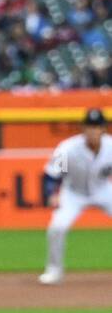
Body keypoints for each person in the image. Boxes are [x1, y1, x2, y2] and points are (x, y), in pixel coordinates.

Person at [39, 109, 112, 285]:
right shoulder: (68, 149)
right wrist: (51, 193)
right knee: (57, 227)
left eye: (97, 127)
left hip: (103, 190)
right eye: (89, 126)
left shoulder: (110, 147)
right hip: (73, 192)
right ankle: (54, 271)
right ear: (83, 128)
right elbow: (52, 175)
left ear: (103, 129)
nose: (93, 131)